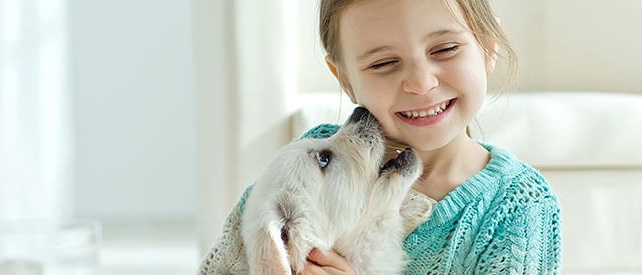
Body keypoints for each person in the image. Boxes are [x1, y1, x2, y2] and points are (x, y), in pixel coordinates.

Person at [200, 0, 561, 274]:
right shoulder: (305, 165)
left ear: (488, 48)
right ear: (344, 79)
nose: (421, 83)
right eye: (383, 63)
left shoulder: (520, 208)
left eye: (444, 49)